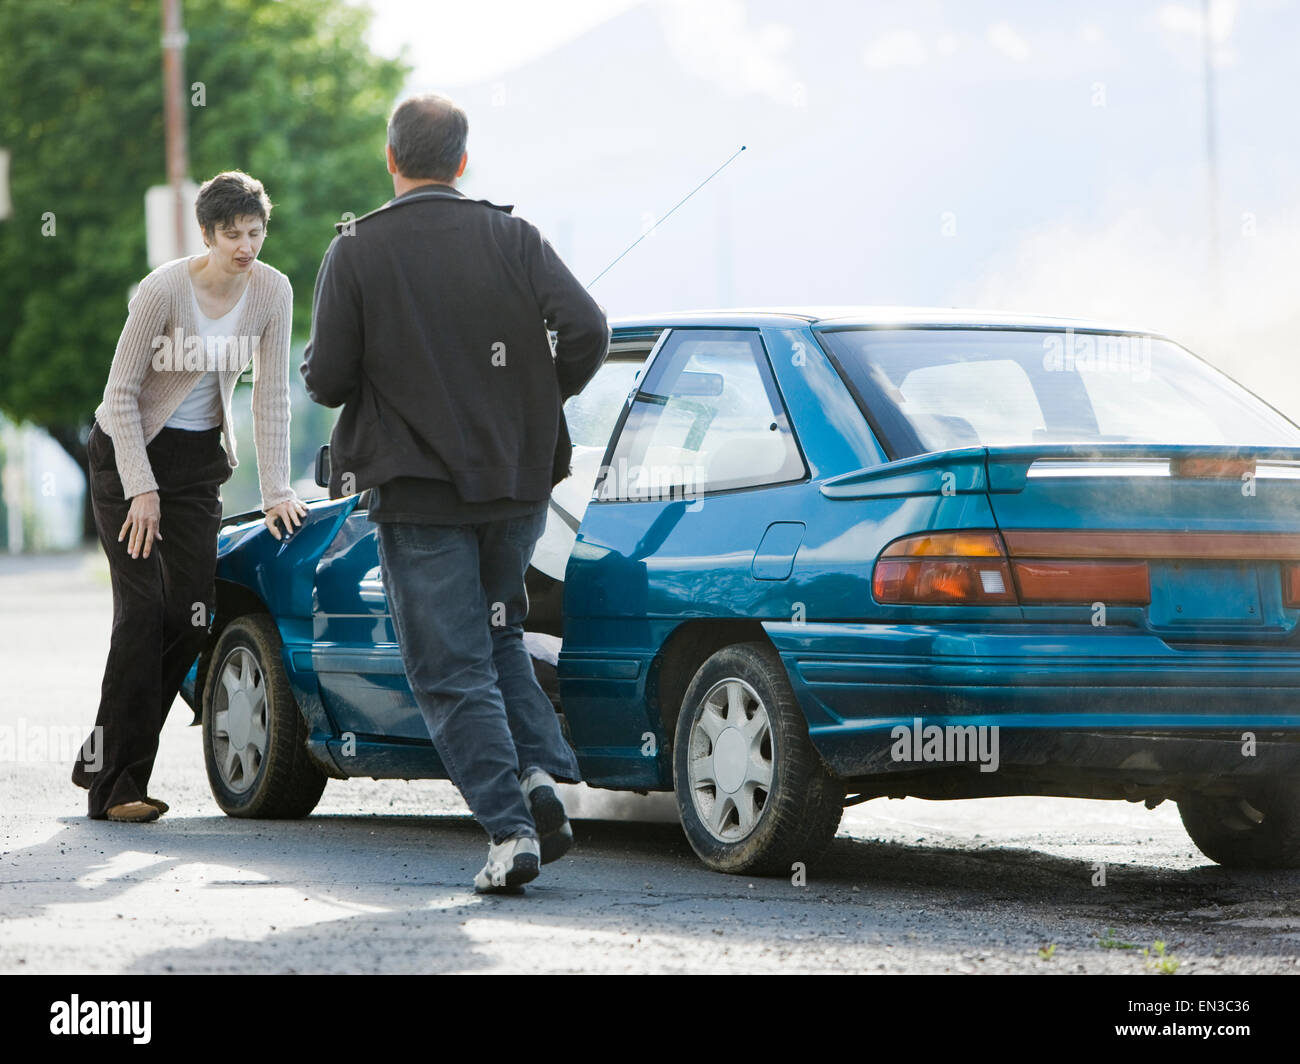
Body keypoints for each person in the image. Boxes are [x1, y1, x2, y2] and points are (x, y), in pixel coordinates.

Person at [301, 94, 609, 893]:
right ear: (463, 162)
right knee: (499, 637)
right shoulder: (514, 236)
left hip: (419, 493)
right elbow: (590, 330)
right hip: (516, 486)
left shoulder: (356, 249)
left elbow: (328, 379)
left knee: (447, 667)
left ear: (391, 160)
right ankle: (539, 776)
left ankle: (510, 833)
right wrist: (539, 402)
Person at [72, 171, 308, 822]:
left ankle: (101, 751)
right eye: (231, 234)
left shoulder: (272, 291)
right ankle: (115, 785)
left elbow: (271, 392)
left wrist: (277, 489)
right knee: (143, 614)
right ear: (206, 234)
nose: (245, 245)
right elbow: (120, 395)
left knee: (193, 618)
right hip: (127, 458)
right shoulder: (164, 289)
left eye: (255, 232)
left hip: (199, 465)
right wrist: (139, 486)